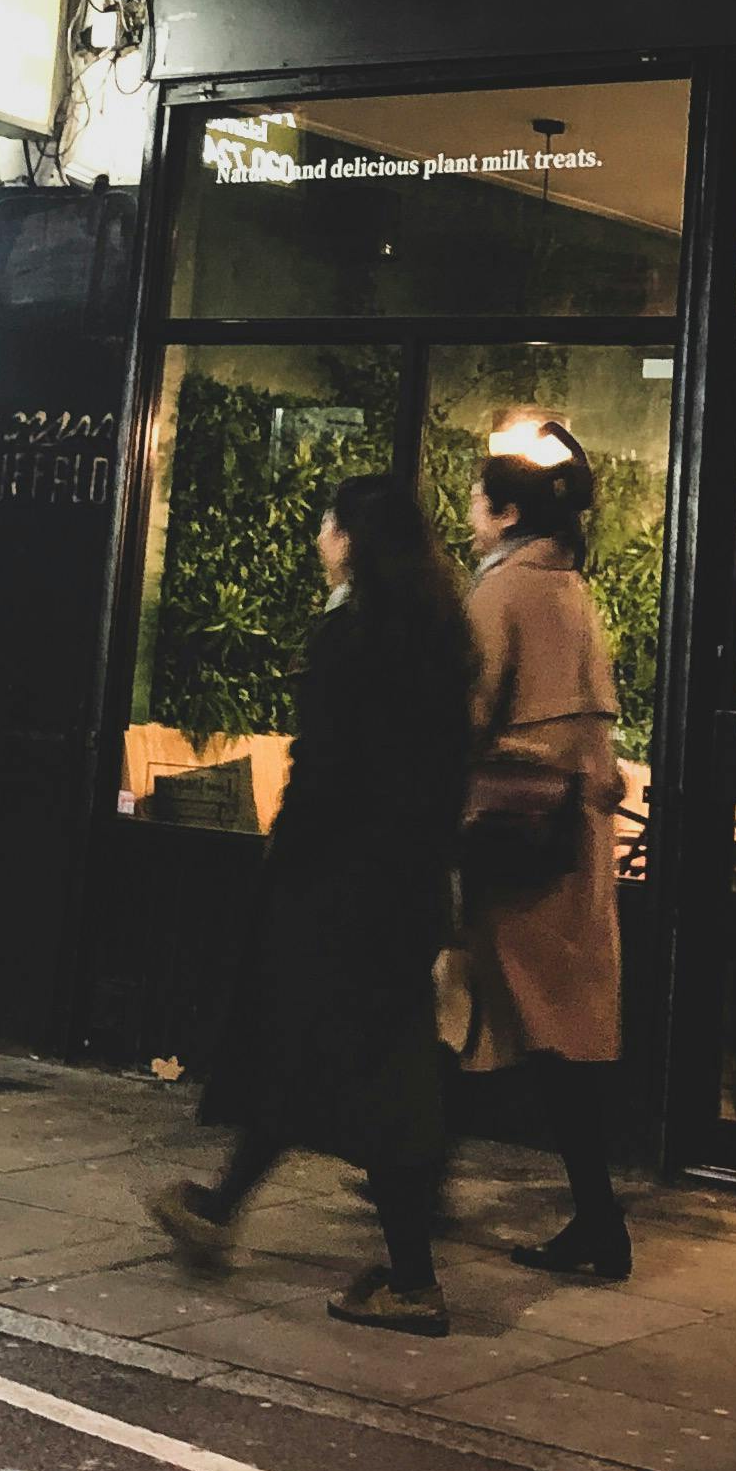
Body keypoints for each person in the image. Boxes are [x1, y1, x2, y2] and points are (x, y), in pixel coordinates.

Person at [150, 476, 474, 1335]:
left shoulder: (350, 634)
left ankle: (411, 1278)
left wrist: (282, 864)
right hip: (405, 888)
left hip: (337, 886)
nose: (320, 538)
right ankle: (219, 1207)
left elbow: (322, 769)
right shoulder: (443, 637)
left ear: (352, 539)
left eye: (328, 525)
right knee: (324, 1053)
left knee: (363, 1067)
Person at [461, 422, 631, 1281]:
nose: (468, 515)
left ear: (508, 513)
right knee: (547, 1021)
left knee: (513, 1017)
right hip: (572, 832)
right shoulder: (573, 589)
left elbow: (467, 712)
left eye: (479, 501)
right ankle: (594, 1219)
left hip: (513, 834)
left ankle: (598, 1221)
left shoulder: (503, 593)